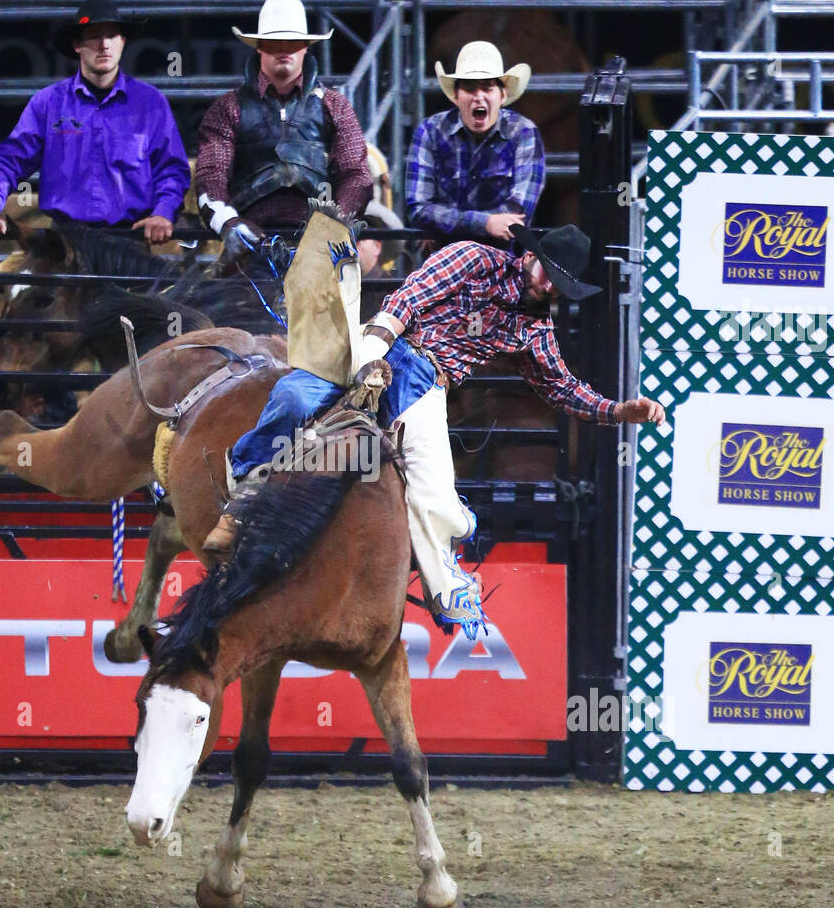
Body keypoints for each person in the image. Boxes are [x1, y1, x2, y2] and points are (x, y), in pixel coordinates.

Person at [203, 222, 666, 640]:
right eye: (547, 272)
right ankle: (243, 486)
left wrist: (618, 410)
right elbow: (410, 298)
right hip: (392, 340)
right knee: (296, 398)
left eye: (558, 283)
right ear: (529, 257)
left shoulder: (535, 331)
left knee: (433, 495)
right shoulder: (472, 257)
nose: (548, 285)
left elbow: (561, 387)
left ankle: (447, 593)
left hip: (427, 380)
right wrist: (374, 352)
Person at [0, 0, 190, 245]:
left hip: (132, 241)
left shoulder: (151, 103)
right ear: (77, 45)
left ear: (123, 41)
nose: (104, 45)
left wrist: (162, 213)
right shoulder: (48, 103)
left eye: (112, 36)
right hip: (64, 244)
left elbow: (171, 170)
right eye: (94, 36)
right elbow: (8, 162)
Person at [194, 0, 371, 260]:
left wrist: (336, 224)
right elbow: (211, 174)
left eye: (293, 41)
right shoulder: (228, 107)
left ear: (306, 48)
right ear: (259, 47)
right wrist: (229, 223)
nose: (284, 48)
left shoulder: (336, 106)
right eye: (275, 41)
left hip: (322, 247)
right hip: (250, 247)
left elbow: (356, 176)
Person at [405, 40, 545, 251]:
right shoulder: (430, 131)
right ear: (455, 95)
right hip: (444, 262)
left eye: (487, 88)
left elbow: (517, 216)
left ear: (502, 95)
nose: (478, 97)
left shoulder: (523, 133)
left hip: (504, 261)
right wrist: (486, 224)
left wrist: (444, 225)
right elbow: (418, 209)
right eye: (470, 89)